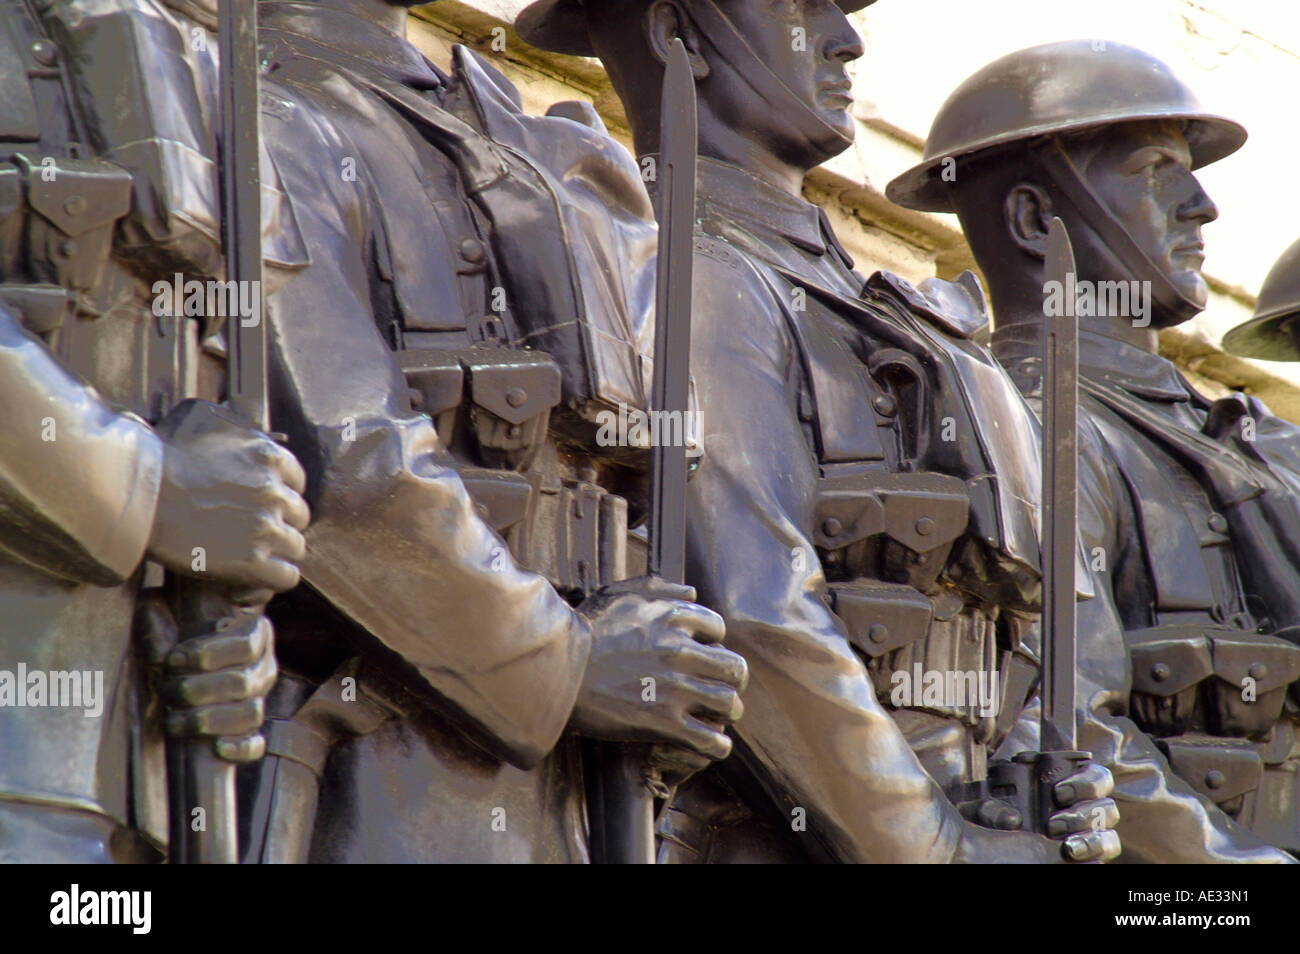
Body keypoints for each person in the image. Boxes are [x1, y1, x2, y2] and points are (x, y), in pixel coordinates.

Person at [516, 0, 1120, 862]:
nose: (846, 39)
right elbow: (760, 616)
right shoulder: (693, 267)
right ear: (674, 31)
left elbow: (997, 624)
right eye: (801, 7)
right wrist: (941, 848)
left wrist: (1035, 778)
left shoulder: (878, 308)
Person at [235, 0, 748, 863]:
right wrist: (570, 663)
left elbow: (625, 477)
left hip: (564, 790)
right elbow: (350, 465)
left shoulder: (520, 145)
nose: (842, 43)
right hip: (364, 774)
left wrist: (659, 666)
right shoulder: (268, 106)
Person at [890, 39, 1297, 860]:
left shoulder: (1246, 441)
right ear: (1037, 219)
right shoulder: (1031, 425)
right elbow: (1072, 729)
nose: (1202, 206)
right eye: (1155, 170)